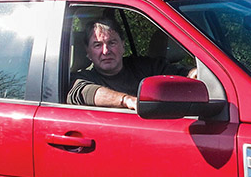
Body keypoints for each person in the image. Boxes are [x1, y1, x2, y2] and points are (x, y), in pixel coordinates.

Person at [67, 17, 195, 109]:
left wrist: (194, 73)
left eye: (112, 43)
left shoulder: (144, 67)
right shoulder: (81, 79)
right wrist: (126, 100)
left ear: (123, 45)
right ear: (88, 52)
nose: (106, 51)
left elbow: (180, 73)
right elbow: (84, 93)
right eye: (97, 45)